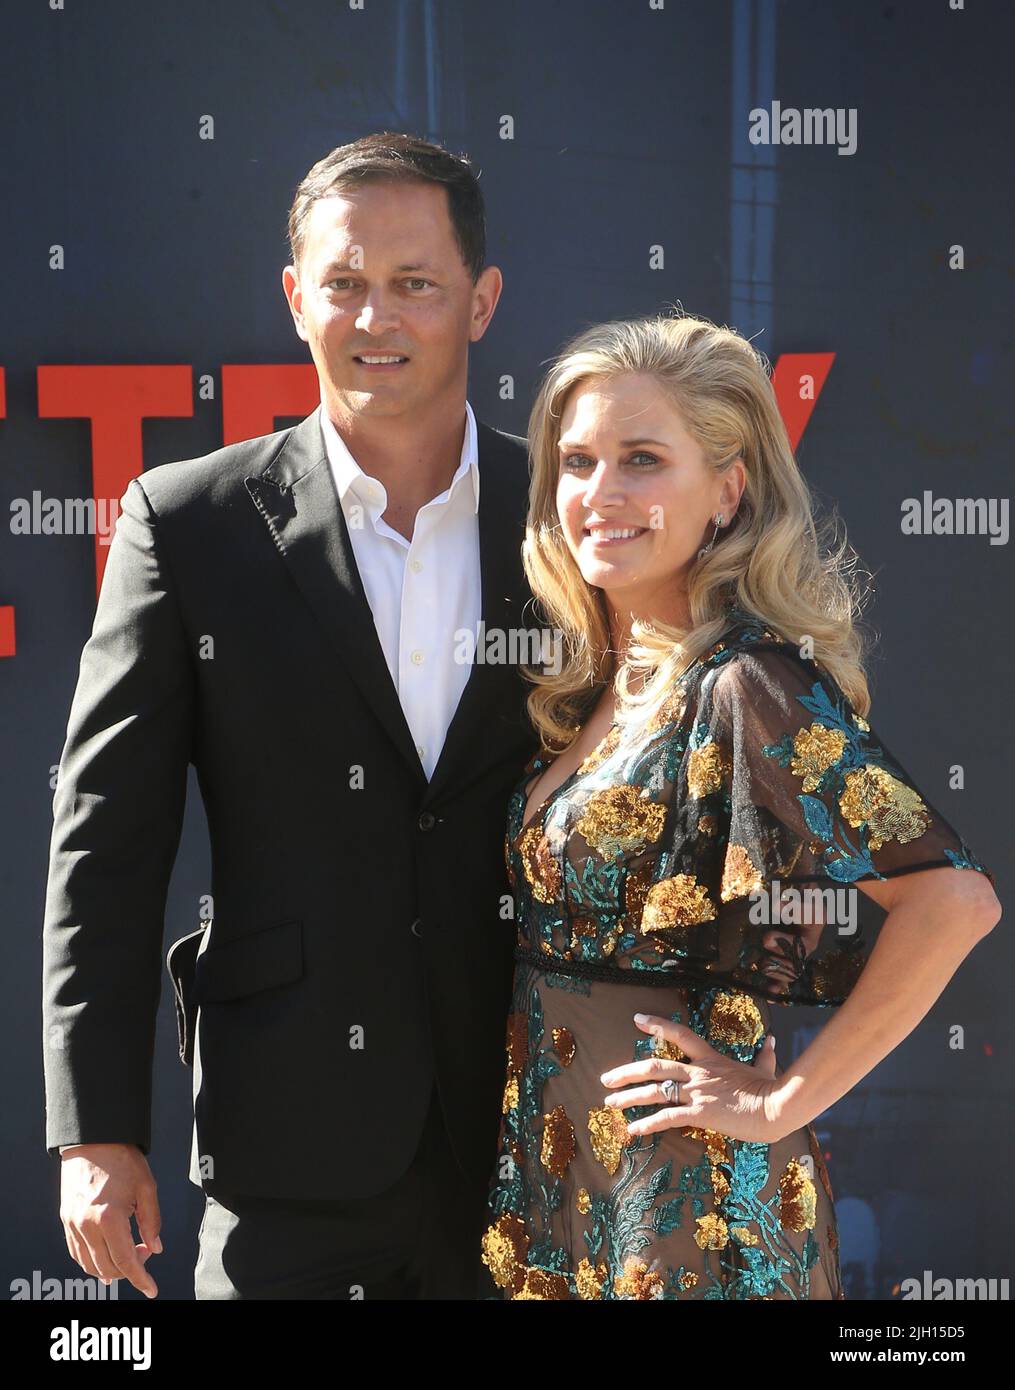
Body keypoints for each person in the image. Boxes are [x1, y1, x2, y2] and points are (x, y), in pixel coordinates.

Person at [42, 132, 542, 1299]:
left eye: (415, 283)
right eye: (346, 282)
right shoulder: (189, 523)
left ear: (480, 301)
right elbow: (105, 846)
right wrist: (94, 1132)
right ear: (293, 299)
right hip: (287, 1150)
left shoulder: (568, 519)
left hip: (532, 1130)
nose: (379, 316)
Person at [480, 310, 1001, 1300]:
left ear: (727, 489)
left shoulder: (744, 682)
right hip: (561, 1181)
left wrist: (778, 1102)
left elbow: (953, 900)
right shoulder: (605, 685)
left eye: (642, 459)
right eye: (579, 461)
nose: (601, 493)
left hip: (688, 1201)